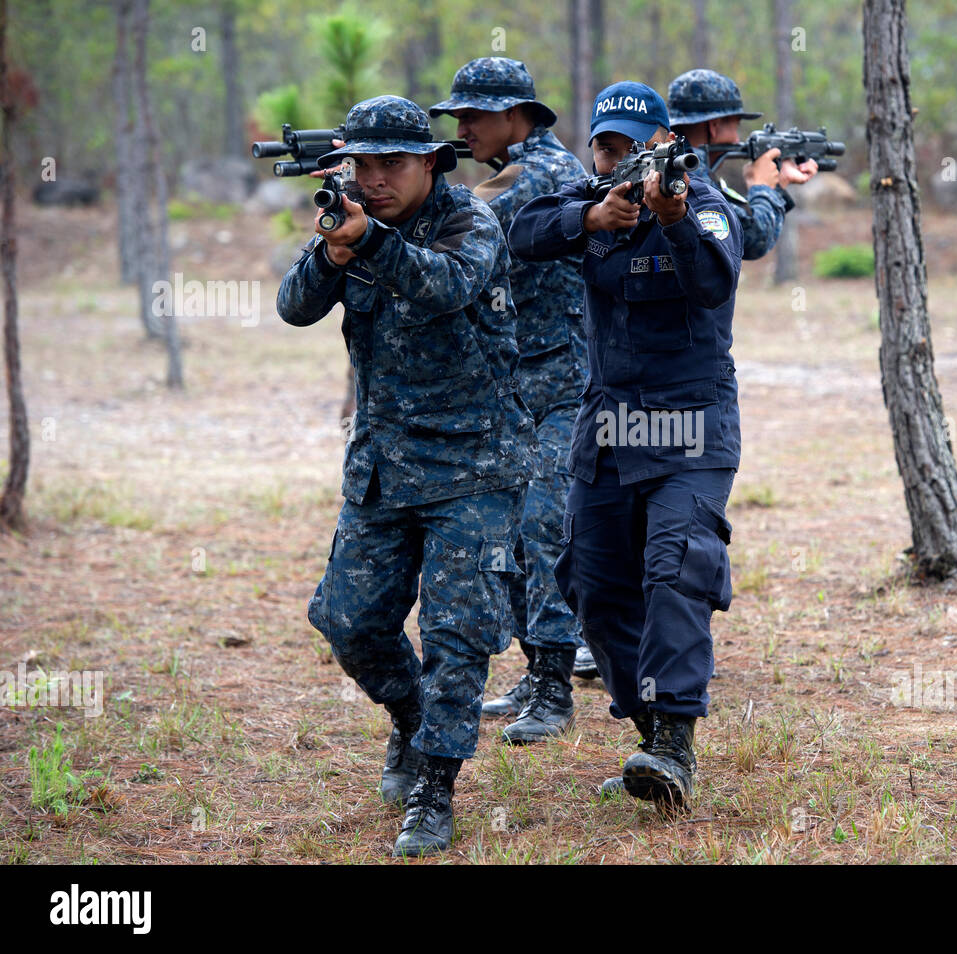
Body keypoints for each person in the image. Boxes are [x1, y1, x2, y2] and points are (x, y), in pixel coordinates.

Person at [276, 95, 536, 856]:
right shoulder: (350, 220)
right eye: (364, 164)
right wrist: (333, 249)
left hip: (474, 467)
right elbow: (294, 309)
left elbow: (445, 284)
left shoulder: (471, 222)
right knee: (349, 622)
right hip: (385, 467)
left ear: (430, 162)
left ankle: (435, 788)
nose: (377, 178)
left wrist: (373, 242)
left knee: (458, 637)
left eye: (394, 163)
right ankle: (411, 718)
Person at [508, 82, 743, 809]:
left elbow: (710, 281)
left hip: (689, 431)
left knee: (674, 570)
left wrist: (668, 217)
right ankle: (649, 731)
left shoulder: (702, 202)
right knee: (594, 583)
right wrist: (591, 213)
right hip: (609, 428)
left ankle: (674, 740)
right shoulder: (595, 198)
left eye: (626, 146)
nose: (613, 156)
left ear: (661, 145)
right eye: (604, 145)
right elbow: (524, 231)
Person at [428, 58, 596, 744]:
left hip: (564, 383)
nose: (463, 128)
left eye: (473, 116)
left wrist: (396, 185)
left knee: (543, 528)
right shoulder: (512, 171)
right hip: (521, 385)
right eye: (456, 118)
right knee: (519, 539)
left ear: (517, 116)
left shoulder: (543, 174)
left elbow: (463, 223)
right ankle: (536, 674)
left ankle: (556, 688)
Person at [666, 69, 818, 261]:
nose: (738, 139)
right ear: (714, 126)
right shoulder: (692, 178)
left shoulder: (670, 164)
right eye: (735, 127)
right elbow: (750, 239)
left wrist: (779, 181)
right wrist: (762, 187)